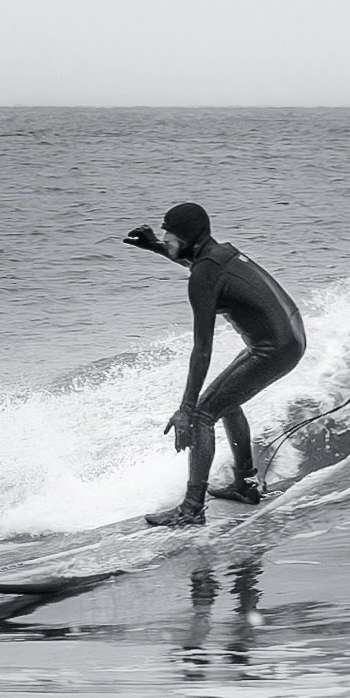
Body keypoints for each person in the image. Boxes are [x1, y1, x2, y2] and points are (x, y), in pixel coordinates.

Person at [124, 201, 302, 527]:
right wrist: (158, 248)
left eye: (171, 235)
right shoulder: (220, 253)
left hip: (274, 348)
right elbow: (201, 267)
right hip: (289, 336)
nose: (167, 238)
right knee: (226, 400)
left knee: (203, 413)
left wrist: (185, 409)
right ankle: (245, 484)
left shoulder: (204, 275)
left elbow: (202, 349)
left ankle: (191, 509)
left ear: (190, 238)